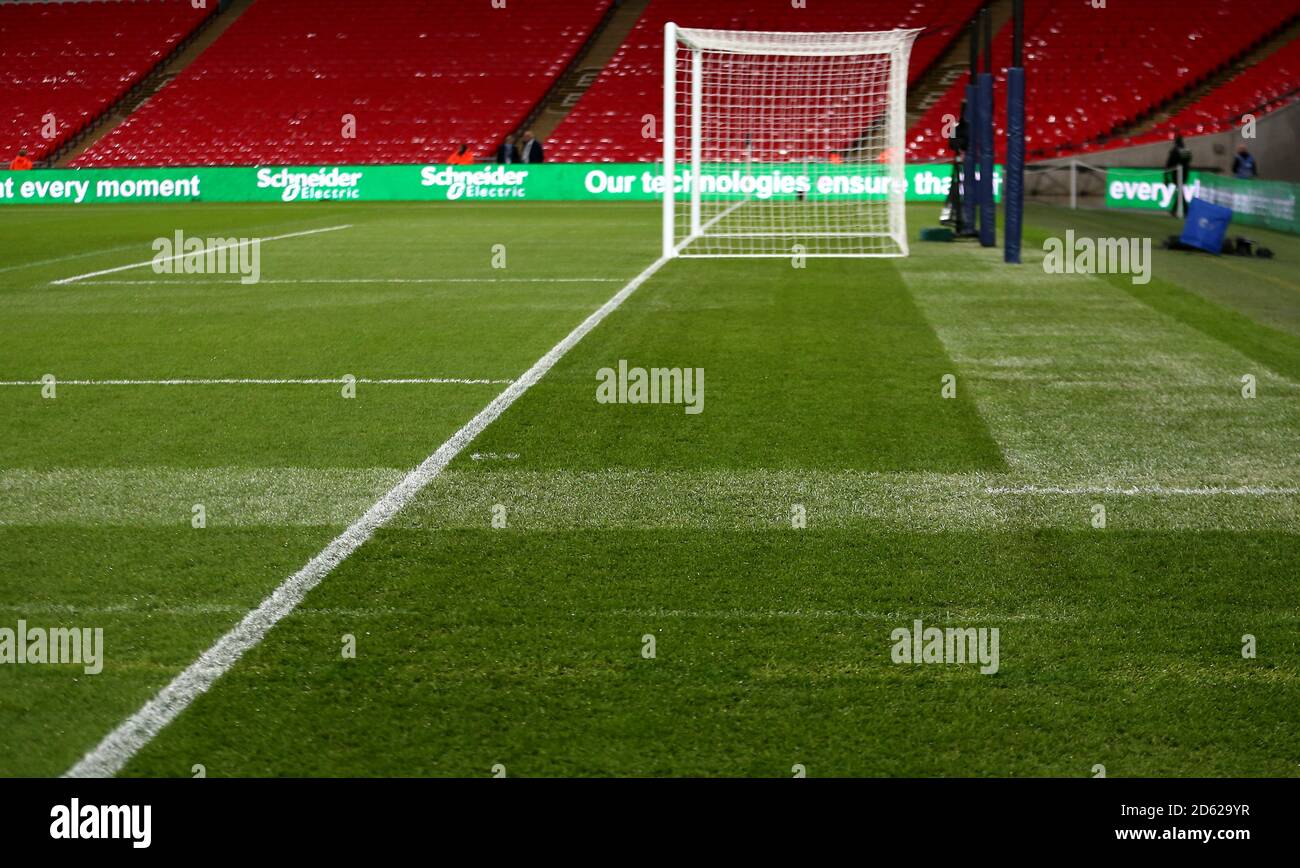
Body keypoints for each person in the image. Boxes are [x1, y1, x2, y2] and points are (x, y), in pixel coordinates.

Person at [1164, 133, 1192, 217]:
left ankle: (1183, 210)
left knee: (1180, 192)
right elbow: (1189, 161)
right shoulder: (1187, 150)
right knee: (1180, 192)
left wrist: (1166, 176)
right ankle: (1181, 210)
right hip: (1185, 174)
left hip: (1176, 174)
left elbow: (1169, 164)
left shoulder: (1174, 151)